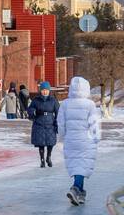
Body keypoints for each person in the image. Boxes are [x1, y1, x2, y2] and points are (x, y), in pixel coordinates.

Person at [57, 75, 101, 205]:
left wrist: (62, 137)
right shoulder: (90, 105)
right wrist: (96, 138)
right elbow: (94, 123)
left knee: (77, 166)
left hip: (71, 139)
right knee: (82, 166)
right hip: (85, 140)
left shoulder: (65, 104)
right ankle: (76, 188)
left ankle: (80, 193)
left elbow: (60, 123)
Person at [26, 80, 59, 169]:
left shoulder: (53, 100)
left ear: (49, 91)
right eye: (43, 90)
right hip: (39, 123)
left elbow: (58, 112)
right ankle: (42, 160)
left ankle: (48, 157)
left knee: (50, 143)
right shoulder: (36, 100)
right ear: (40, 90)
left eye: (46, 90)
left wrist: (57, 122)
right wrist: (32, 112)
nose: (45, 92)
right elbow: (30, 109)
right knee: (40, 143)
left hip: (50, 124)